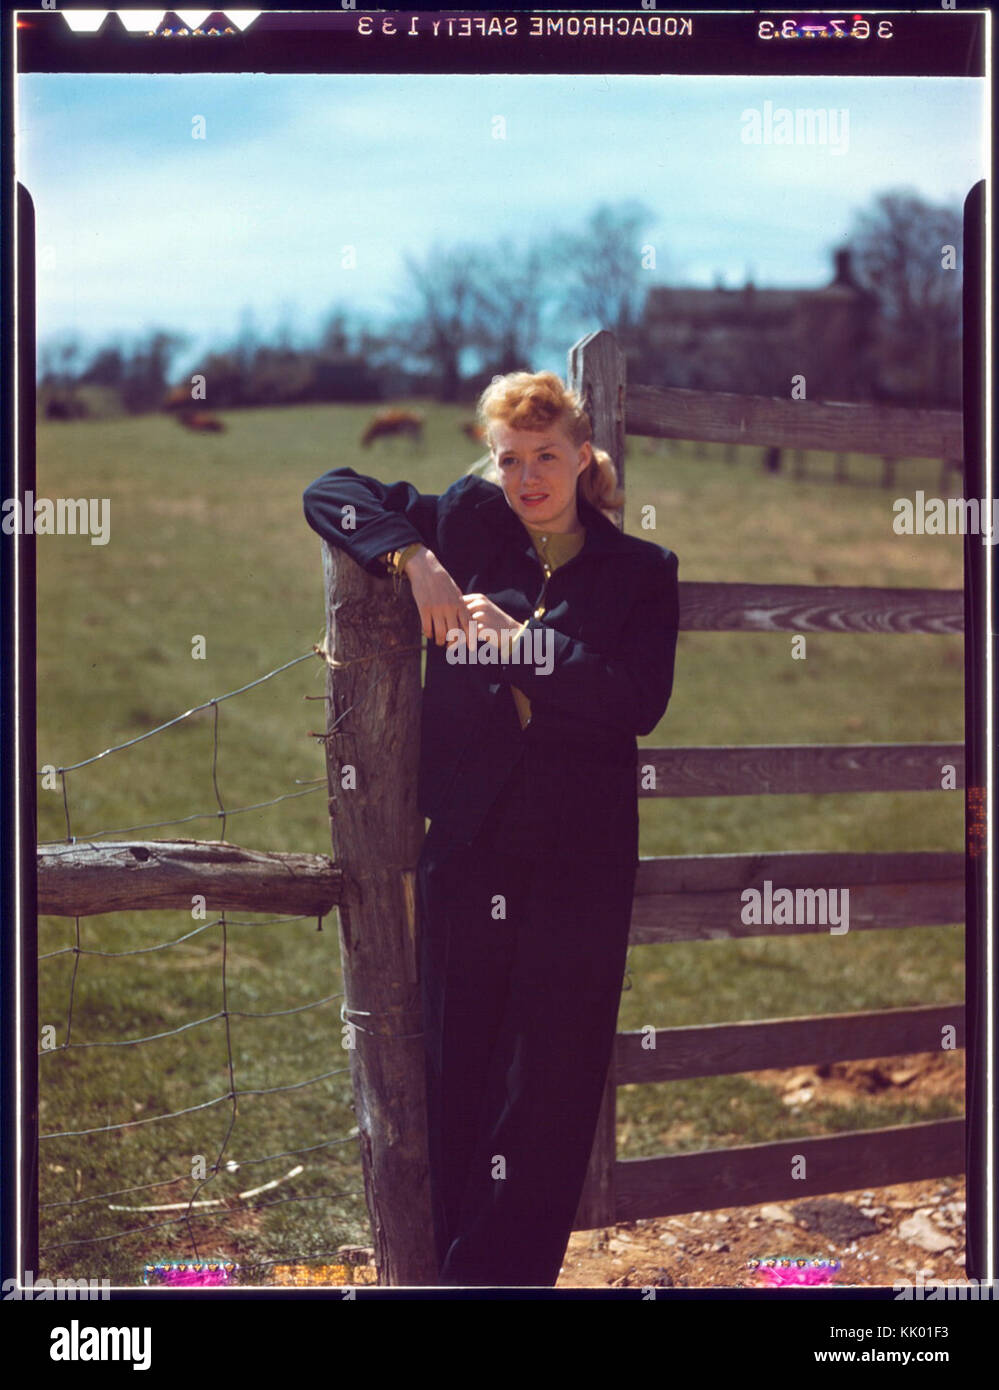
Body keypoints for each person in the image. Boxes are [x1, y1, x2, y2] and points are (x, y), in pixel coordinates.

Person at [302, 370, 680, 1287]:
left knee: (545, 1093)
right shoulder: (466, 527)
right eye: (510, 459)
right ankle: (440, 1272)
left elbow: (637, 700)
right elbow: (331, 494)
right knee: (455, 1067)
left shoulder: (640, 572)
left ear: (583, 455)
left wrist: (522, 646)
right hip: (467, 853)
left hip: (579, 866)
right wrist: (414, 559)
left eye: (546, 456)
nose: (527, 478)